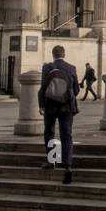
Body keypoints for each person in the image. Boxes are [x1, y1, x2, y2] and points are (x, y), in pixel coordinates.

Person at [38, 44, 80, 184]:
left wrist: (41, 105)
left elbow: (43, 88)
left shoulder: (48, 67)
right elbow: (76, 89)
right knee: (66, 135)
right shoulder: (71, 68)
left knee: (50, 132)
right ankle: (67, 165)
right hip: (67, 105)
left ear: (53, 55)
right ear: (64, 54)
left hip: (50, 105)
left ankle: (52, 160)